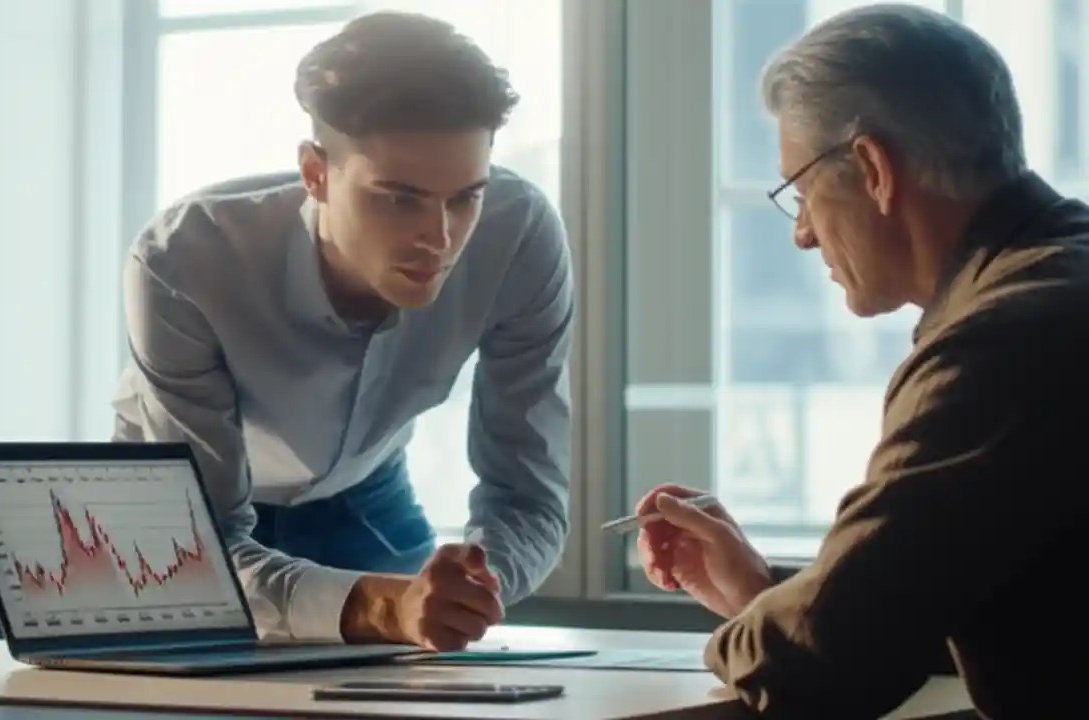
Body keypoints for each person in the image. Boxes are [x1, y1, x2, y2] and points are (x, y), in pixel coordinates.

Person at [633, 4, 1088, 718]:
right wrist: (767, 593)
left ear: (873, 167)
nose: (804, 235)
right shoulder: (1061, 286)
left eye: (801, 191)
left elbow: (822, 666)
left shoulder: (996, 344)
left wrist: (744, 636)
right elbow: (974, 598)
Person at [111, 11, 573, 653]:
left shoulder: (518, 234)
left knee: (421, 675)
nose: (439, 240)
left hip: (362, 494)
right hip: (179, 513)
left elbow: (528, 495)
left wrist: (473, 585)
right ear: (316, 173)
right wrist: (387, 608)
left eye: (465, 197)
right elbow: (202, 544)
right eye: (399, 198)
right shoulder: (185, 259)